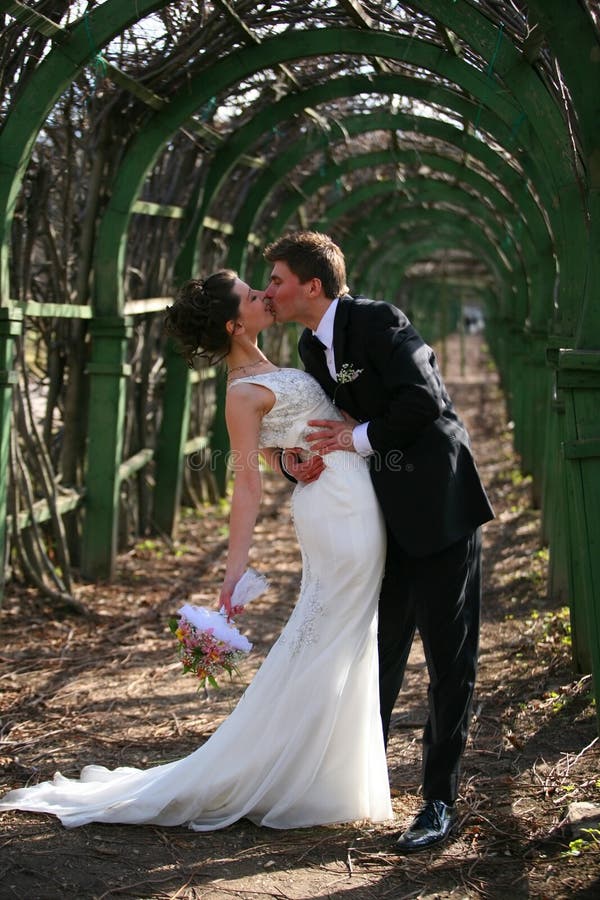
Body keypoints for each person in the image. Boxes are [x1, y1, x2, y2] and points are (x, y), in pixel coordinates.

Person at [0, 270, 392, 831]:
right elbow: (247, 482)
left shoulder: (276, 363)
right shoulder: (241, 393)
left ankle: (324, 775)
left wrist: (291, 456)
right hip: (337, 512)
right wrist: (234, 573)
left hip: (346, 495)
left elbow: (286, 438)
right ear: (234, 324)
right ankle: (299, 777)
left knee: (342, 634)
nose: (264, 295)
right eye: (251, 295)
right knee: (332, 633)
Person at [263, 232, 494, 852]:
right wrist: (295, 463)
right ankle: (362, 783)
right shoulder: (309, 346)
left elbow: (425, 400)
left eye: (278, 279)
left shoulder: (379, 321)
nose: (269, 291)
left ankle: (438, 801)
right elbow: (317, 425)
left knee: (449, 658)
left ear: (312, 285)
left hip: (438, 506)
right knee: (381, 649)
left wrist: (356, 438)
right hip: (376, 518)